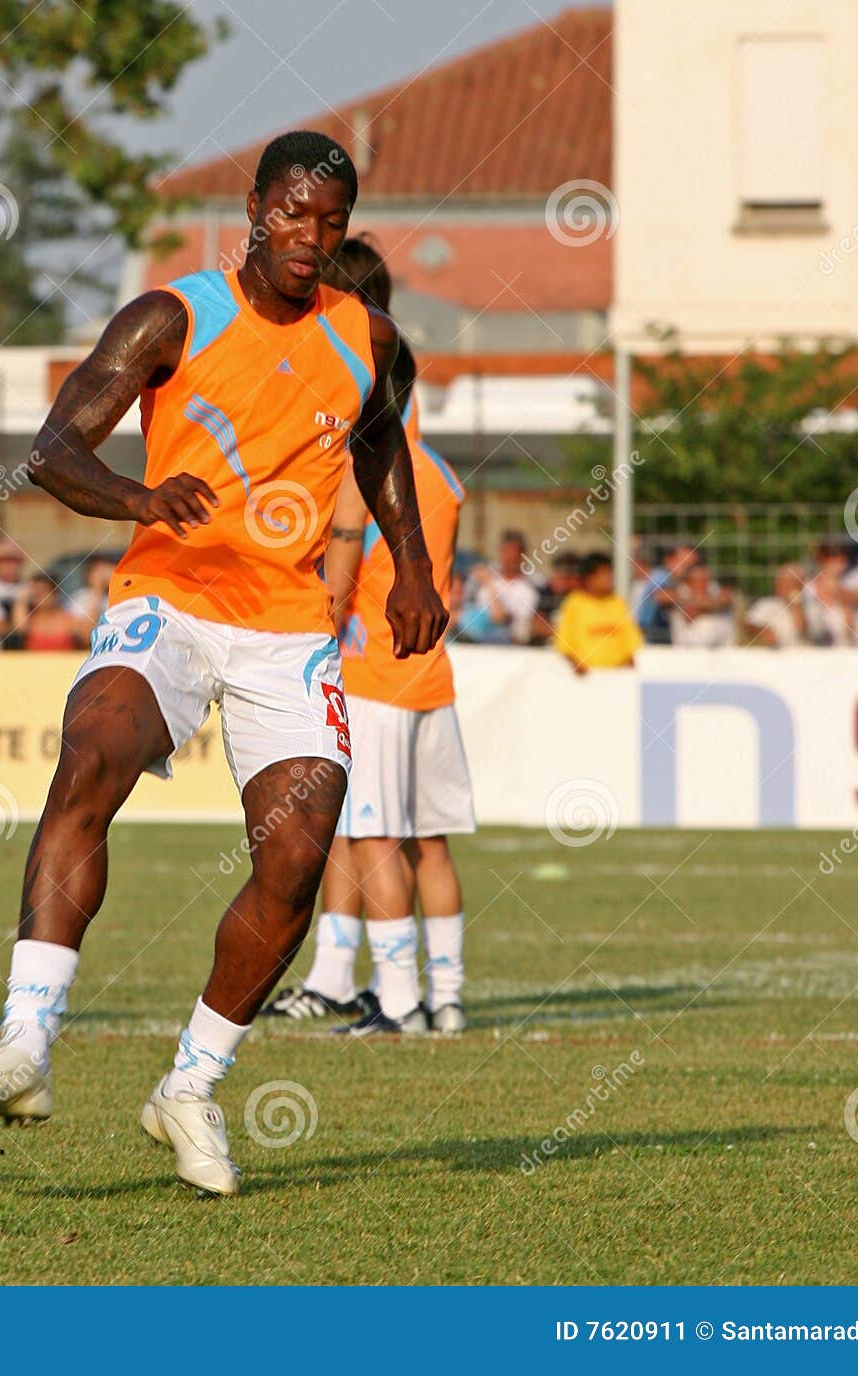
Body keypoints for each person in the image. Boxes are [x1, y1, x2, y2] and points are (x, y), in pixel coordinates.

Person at [0, 130, 447, 1197]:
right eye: (294, 215)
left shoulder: (366, 335)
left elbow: (381, 441)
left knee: (300, 849)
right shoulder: (174, 315)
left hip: (287, 624)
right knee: (94, 751)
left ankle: (190, 1085)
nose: (310, 238)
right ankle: (25, 1044)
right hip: (166, 597)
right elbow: (56, 447)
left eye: (331, 222)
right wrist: (136, 498)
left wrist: (411, 567)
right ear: (255, 206)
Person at [263, 233, 472, 1036]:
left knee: (370, 839)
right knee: (426, 845)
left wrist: (312, 614)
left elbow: (345, 572)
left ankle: (398, 1001)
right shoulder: (442, 473)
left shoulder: (362, 469)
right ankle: (442, 998)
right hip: (431, 681)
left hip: (373, 679)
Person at [552, 552, 644, 673]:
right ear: (590, 578)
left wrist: (628, 665)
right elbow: (564, 643)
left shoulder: (617, 603)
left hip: (617, 677)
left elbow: (631, 640)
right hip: (584, 680)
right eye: (605, 575)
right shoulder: (574, 603)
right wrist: (575, 665)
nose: (610, 579)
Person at [466, 530, 538, 644]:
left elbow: (500, 618)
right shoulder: (482, 581)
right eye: (506, 551)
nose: (509, 557)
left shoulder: (527, 590)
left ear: (522, 556)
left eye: (514, 552)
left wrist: (488, 583)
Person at [745, 564, 817, 648]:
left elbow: (804, 630)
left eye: (792, 583)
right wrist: (761, 630)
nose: (782, 586)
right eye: (781, 581)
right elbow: (748, 627)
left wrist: (795, 604)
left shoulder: (811, 606)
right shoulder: (765, 604)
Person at [668, 563, 735, 647]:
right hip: (689, 647)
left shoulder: (713, 589)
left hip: (721, 648)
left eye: (707, 579)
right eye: (700, 580)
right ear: (689, 581)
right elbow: (689, 613)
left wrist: (698, 605)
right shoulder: (681, 592)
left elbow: (727, 598)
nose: (705, 583)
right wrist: (708, 605)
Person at [15, 573, 86, 651]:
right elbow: (19, 628)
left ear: (54, 594)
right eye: (36, 592)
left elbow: (87, 638)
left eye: (44, 591)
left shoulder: (68, 619)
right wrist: (22, 599)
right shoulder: (29, 620)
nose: (40, 595)